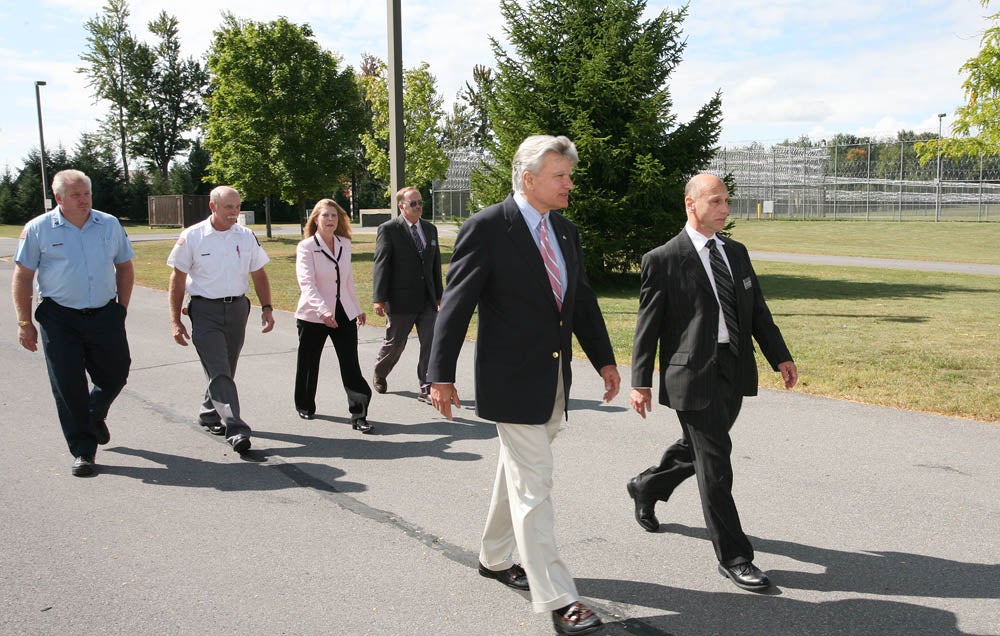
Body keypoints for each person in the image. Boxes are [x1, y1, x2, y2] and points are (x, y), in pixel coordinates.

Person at [428, 135, 620, 636]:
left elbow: (579, 299)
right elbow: (456, 304)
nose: (569, 184)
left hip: (554, 380)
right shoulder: (489, 228)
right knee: (535, 485)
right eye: (560, 176)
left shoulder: (566, 232)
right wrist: (440, 374)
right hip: (510, 382)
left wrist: (604, 360)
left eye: (569, 175)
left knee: (516, 473)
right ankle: (559, 599)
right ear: (529, 178)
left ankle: (494, 557)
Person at [627, 173, 798, 592]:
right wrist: (640, 380)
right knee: (716, 465)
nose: (725, 208)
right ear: (692, 204)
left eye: (727, 201)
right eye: (717, 201)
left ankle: (646, 485)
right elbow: (647, 326)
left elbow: (757, 310)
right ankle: (734, 556)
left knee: (701, 449)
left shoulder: (735, 253)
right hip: (691, 374)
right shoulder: (664, 258)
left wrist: (781, 355)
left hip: (734, 368)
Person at [11, 169, 134, 477]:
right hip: (59, 316)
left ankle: (93, 414)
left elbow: (124, 266)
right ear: (59, 198)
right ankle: (83, 450)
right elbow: (23, 277)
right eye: (76, 195)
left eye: (87, 194)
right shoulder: (39, 229)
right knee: (69, 384)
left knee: (116, 373)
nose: (83, 201)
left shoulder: (108, 224)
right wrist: (24, 322)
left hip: (105, 313)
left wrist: (122, 309)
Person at [167, 185, 275, 454]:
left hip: (237, 309)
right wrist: (175, 319)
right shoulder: (192, 237)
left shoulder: (247, 236)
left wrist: (267, 307)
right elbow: (177, 279)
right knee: (218, 368)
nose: (235, 212)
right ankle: (236, 428)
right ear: (213, 207)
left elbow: (259, 274)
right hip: (205, 311)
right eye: (229, 207)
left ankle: (209, 413)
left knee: (226, 367)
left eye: (237, 207)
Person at [293, 199, 373, 433]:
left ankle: (359, 415)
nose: (330, 220)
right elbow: (306, 283)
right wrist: (323, 310)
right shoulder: (306, 247)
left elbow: (347, 280)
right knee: (308, 363)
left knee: (351, 364)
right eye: (325, 215)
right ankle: (305, 404)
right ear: (315, 219)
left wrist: (357, 307)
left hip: (343, 312)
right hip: (313, 315)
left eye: (334, 216)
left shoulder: (344, 243)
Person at [371, 186, 443, 404]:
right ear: (401, 205)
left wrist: (439, 295)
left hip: (427, 299)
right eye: (413, 203)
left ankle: (426, 386)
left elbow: (435, 265)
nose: (418, 206)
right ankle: (380, 372)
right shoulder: (389, 229)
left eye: (420, 202)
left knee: (430, 342)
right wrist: (379, 298)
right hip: (400, 299)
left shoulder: (430, 229)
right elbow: (381, 265)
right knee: (395, 344)